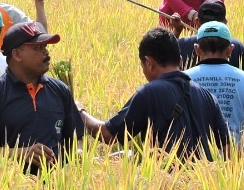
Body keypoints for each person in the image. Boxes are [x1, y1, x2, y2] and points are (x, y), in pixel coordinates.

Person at [84, 27, 229, 160]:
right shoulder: (208, 96)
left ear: (149, 62)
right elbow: (228, 151)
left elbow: (108, 135)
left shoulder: (148, 94)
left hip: (165, 183)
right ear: (180, 60)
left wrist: (80, 111)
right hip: (203, 183)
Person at [0, 21, 86, 175]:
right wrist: (22, 153)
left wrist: (78, 156)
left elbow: (76, 137)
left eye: (45, 47)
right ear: (17, 54)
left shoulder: (60, 90)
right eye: (38, 48)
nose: (46, 53)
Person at [185, 22, 244, 146]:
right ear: (230, 49)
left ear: (197, 50)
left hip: (193, 159)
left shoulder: (184, 79)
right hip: (235, 159)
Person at [176, 0, 244, 70]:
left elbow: (167, 65)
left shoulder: (182, 45)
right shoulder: (237, 46)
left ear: (197, 22)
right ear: (225, 23)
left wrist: (176, 31)